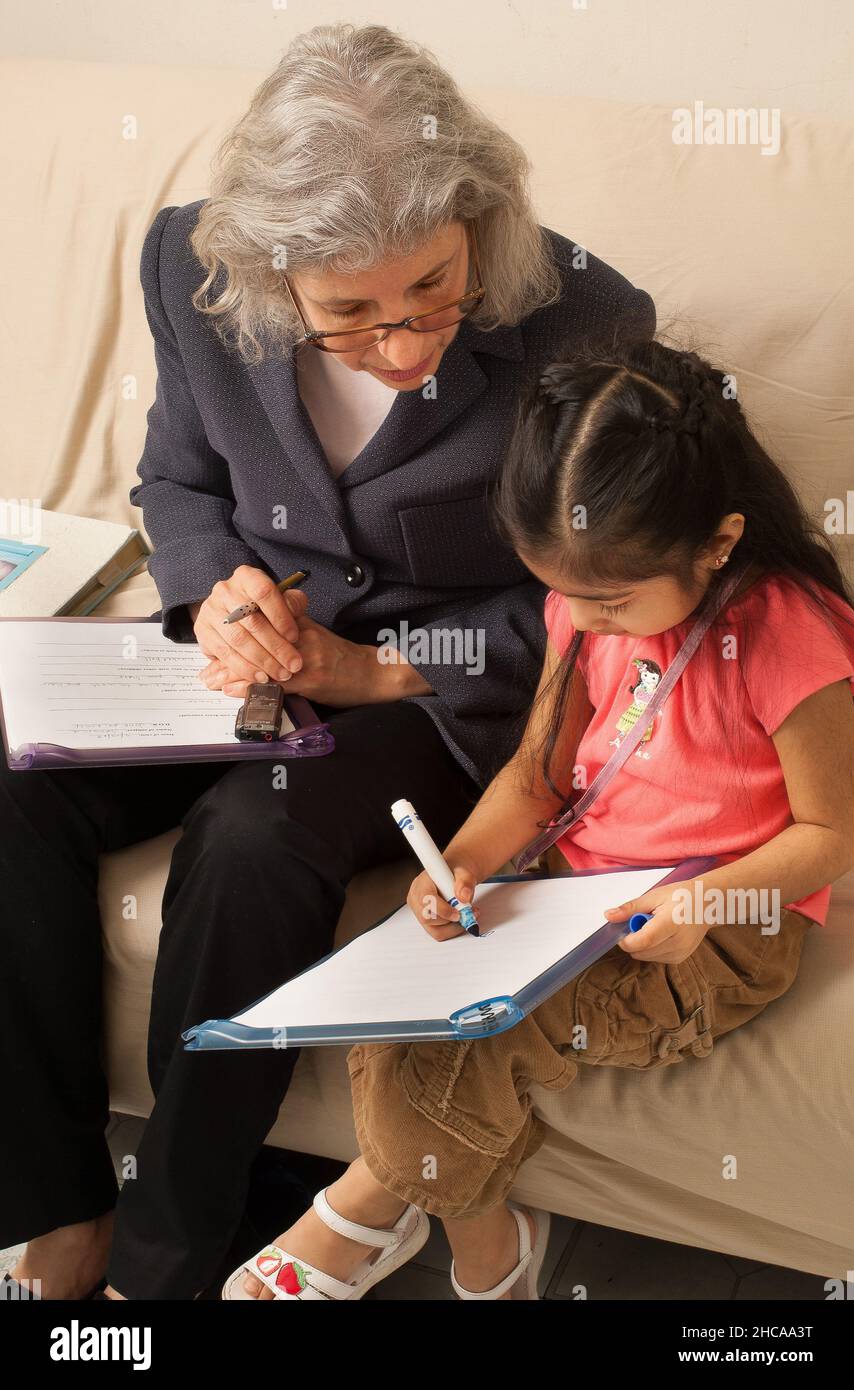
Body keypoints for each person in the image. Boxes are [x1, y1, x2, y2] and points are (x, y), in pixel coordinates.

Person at [0, 23, 654, 1300]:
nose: (404, 346)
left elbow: (603, 594)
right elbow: (178, 480)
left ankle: (161, 1260)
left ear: (478, 225)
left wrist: (385, 675)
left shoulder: (586, 313)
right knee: (18, 788)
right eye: (350, 314)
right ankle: (59, 1205)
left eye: (434, 295)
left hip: (443, 676)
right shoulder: (190, 261)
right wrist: (210, 593)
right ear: (265, 268)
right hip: (255, 643)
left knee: (257, 833)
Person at [223, 333, 854, 1301]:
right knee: (394, 1015)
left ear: (717, 544)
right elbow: (535, 778)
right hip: (572, 892)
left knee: (448, 1052)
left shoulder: (782, 635)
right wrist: (461, 868)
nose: (578, 618)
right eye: (561, 591)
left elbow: (832, 834)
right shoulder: (577, 605)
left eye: (606, 600)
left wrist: (709, 906)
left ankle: (397, 1232)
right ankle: (487, 1249)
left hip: (716, 930)